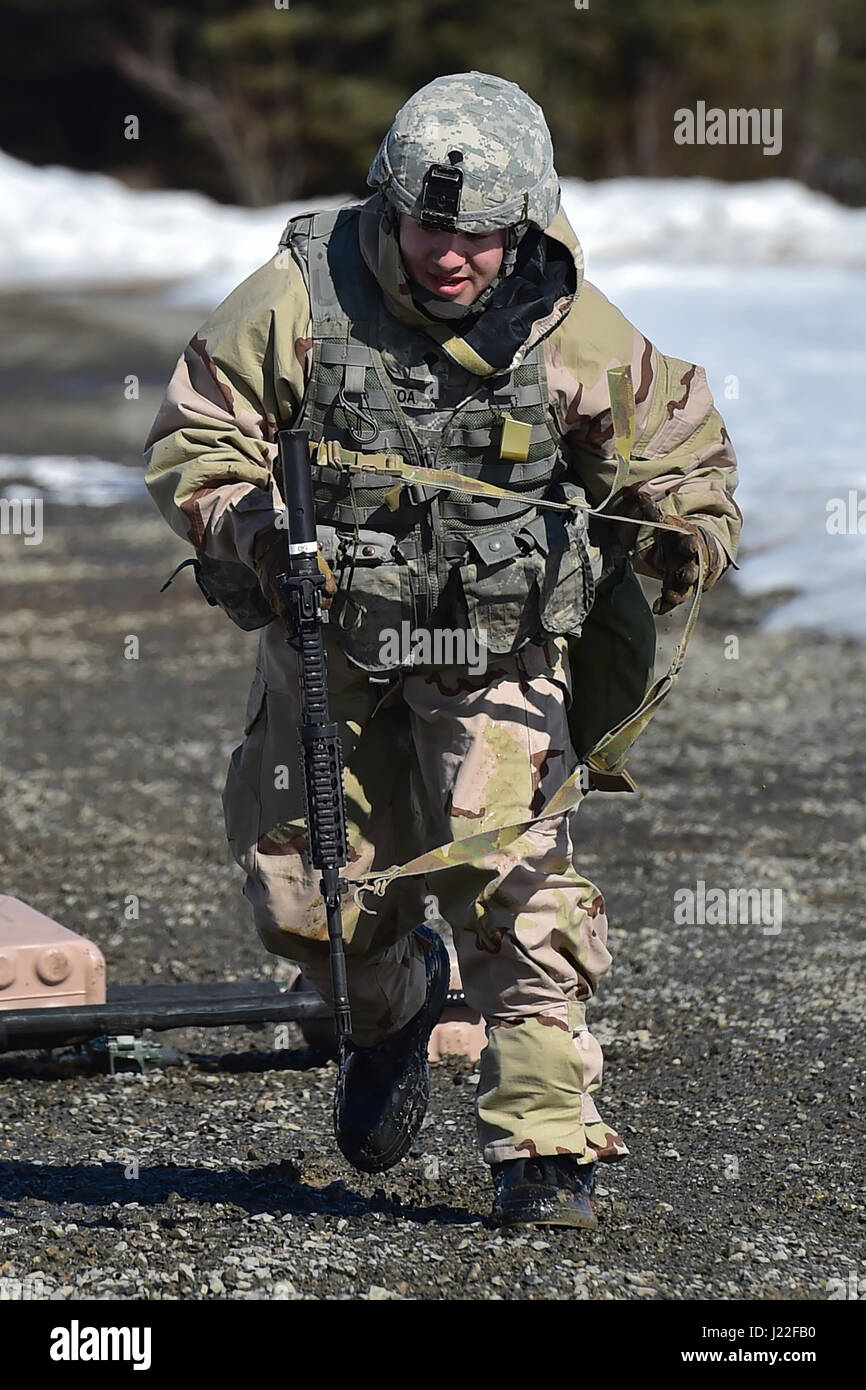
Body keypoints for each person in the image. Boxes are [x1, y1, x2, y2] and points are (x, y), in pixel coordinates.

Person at [144, 71, 741, 1229]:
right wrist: (254, 533)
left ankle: (543, 1144)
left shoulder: (567, 316)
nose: (451, 257)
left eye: (477, 235)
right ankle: (392, 1009)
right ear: (390, 205)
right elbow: (196, 436)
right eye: (429, 226)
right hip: (331, 640)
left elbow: (682, 448)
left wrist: (681, 529)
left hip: (495, 651)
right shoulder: (299, 295)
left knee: (516, 889)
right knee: (300, 895)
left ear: (516, 227)